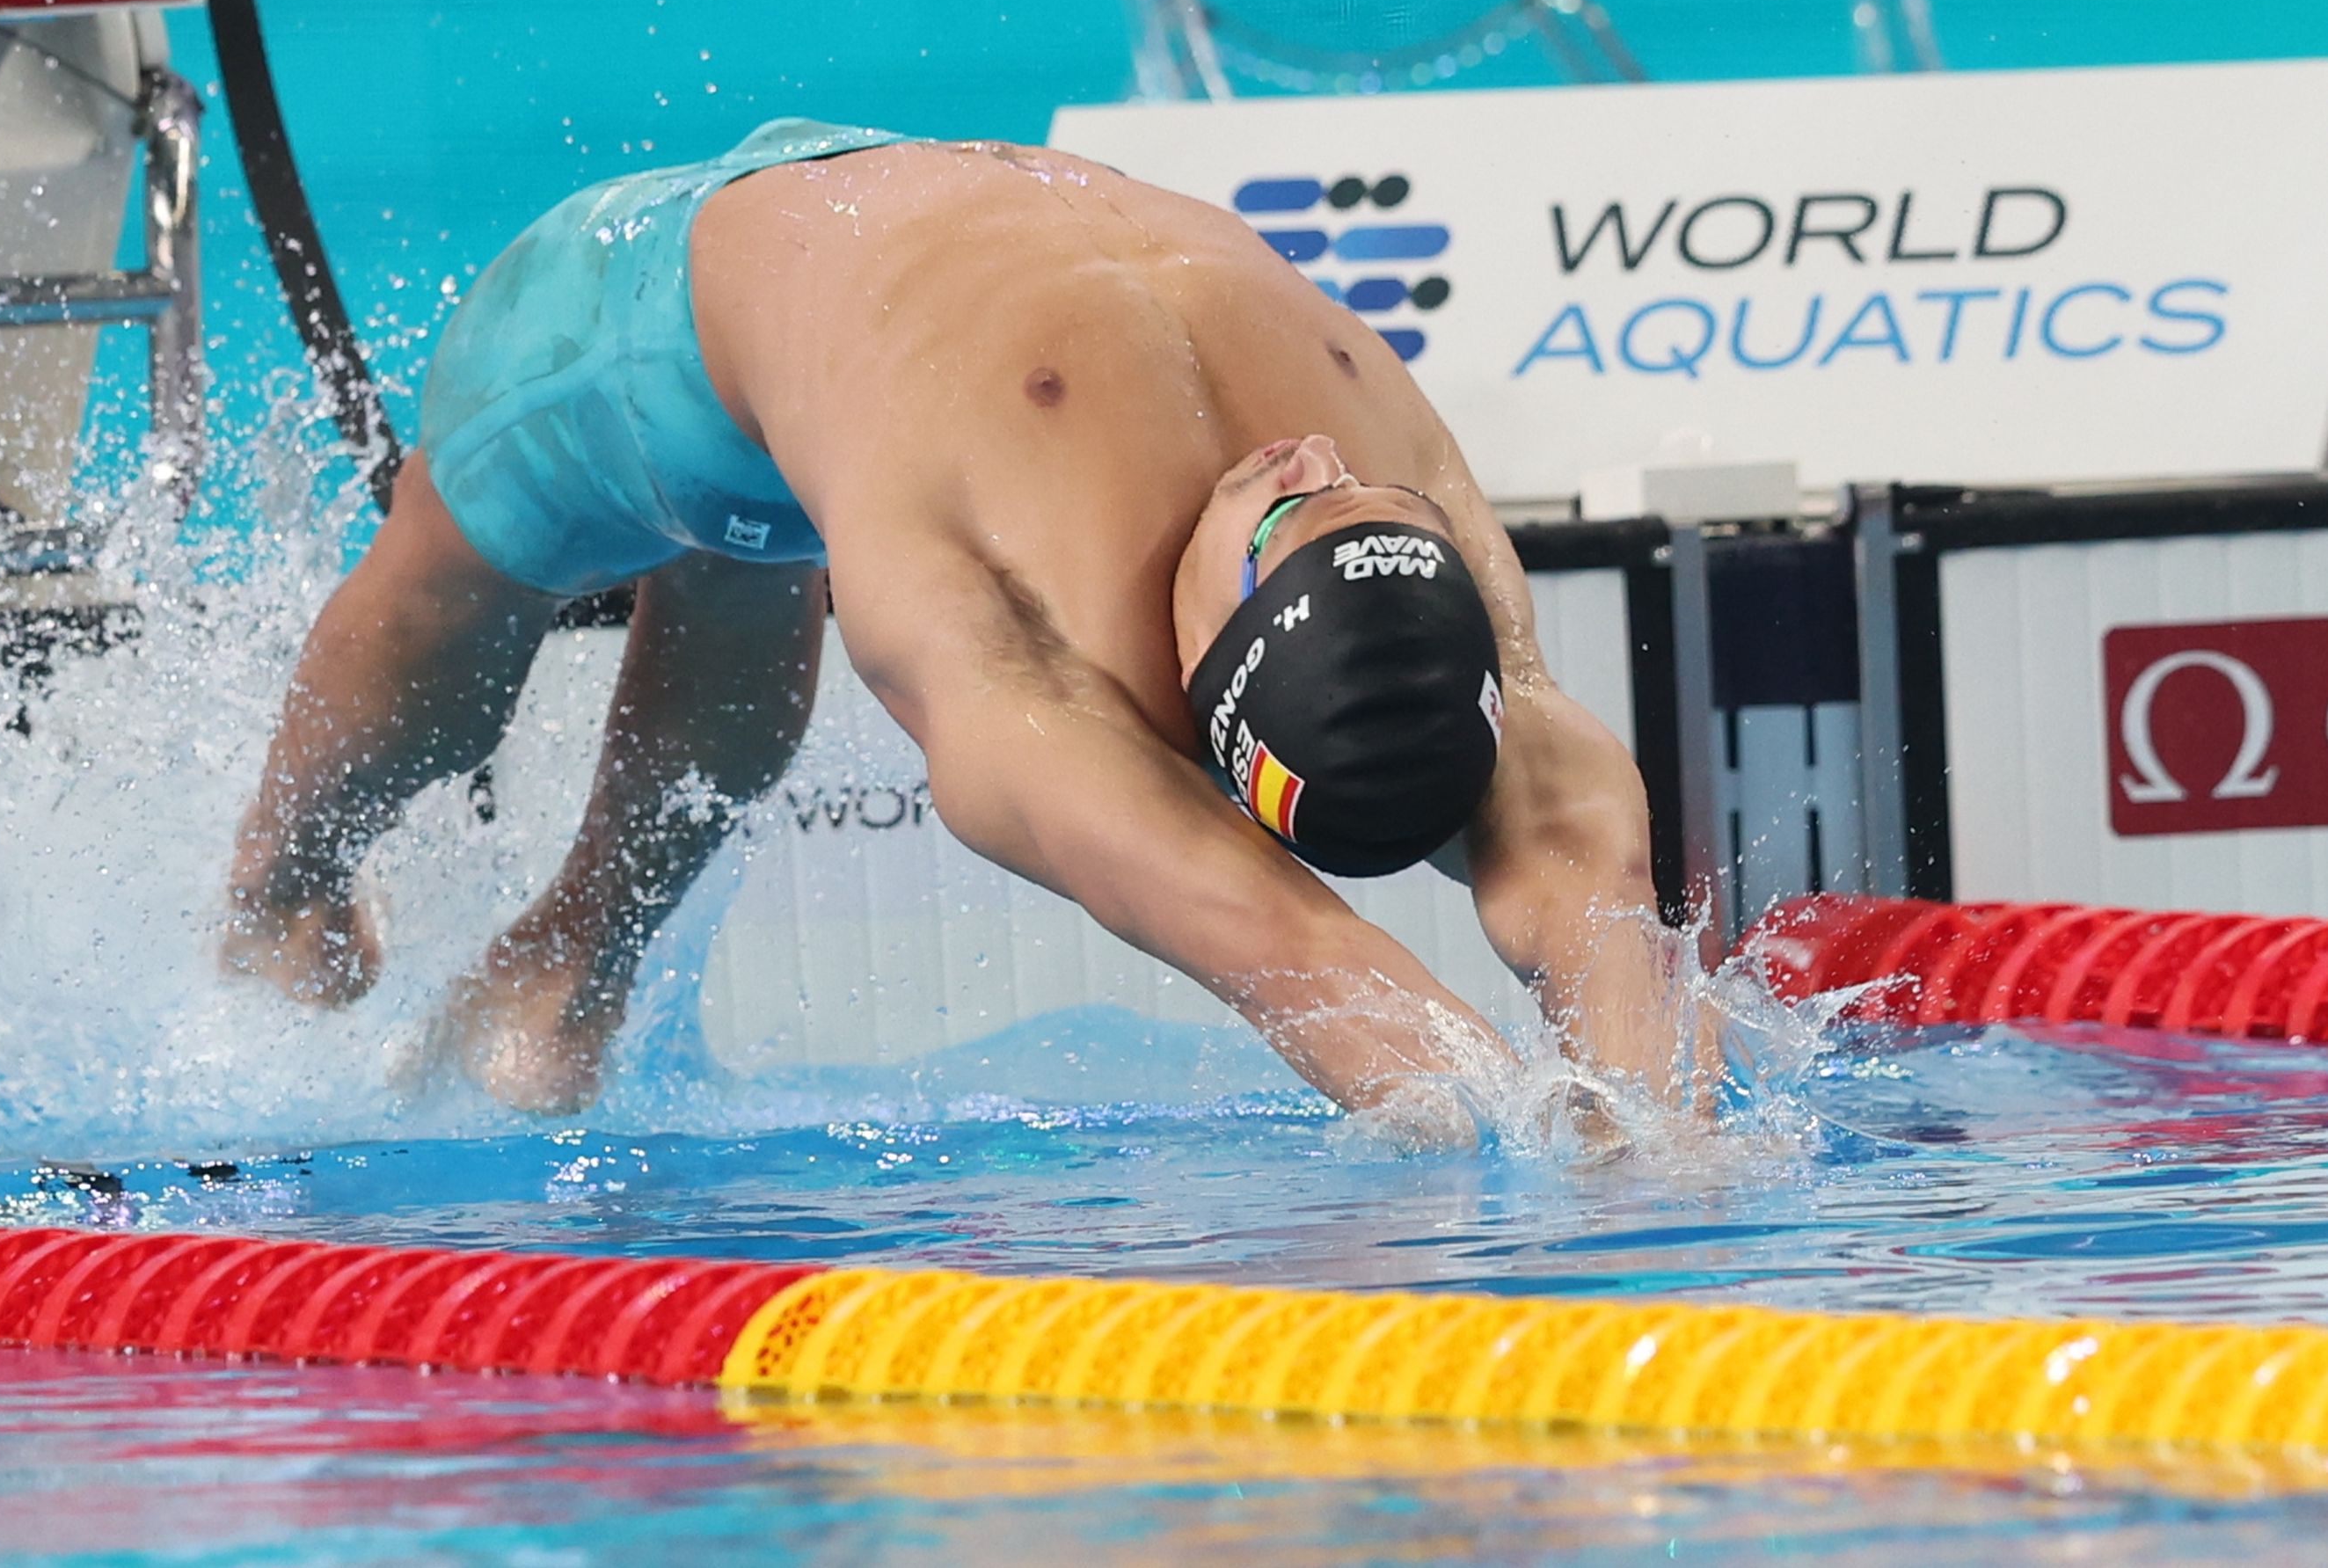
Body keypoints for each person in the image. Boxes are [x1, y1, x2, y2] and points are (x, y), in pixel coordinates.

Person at [223, 120, 1683, 1129]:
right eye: (1354, 505)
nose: (1300, 457)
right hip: (797, 251)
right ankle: (279, 888)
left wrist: (1563, 1158)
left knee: (599, 588)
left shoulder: (1016, 666)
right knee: (560, 597)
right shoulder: (1396, 479)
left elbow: (1295, 957)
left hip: (680, 331)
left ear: (1199, 675)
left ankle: (551, 957)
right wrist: (1648, 1123)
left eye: (1280, 517)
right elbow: (1587, 863)